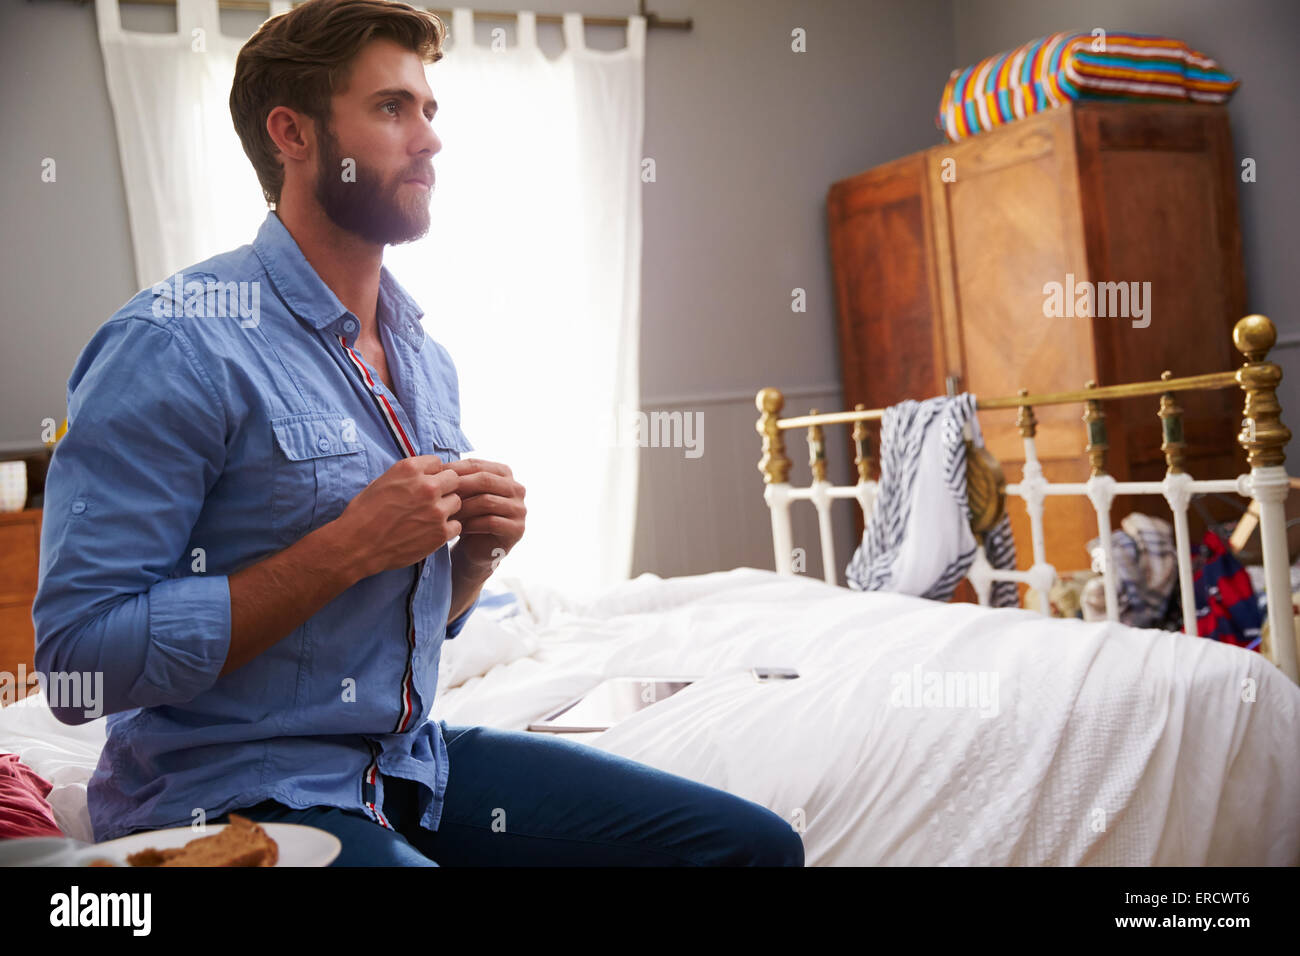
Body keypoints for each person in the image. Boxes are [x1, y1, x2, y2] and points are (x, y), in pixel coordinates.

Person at [33, 0, 803, 867]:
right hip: (233, 794)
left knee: (749, 849)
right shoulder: (173, 342)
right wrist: (345, 548)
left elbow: (383, 628)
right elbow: (75, 664)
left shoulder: (423, 357)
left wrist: (468, 565)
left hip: (412, 769)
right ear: (292, 132)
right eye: (393, 108)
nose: (430, 138)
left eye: (429, 110)